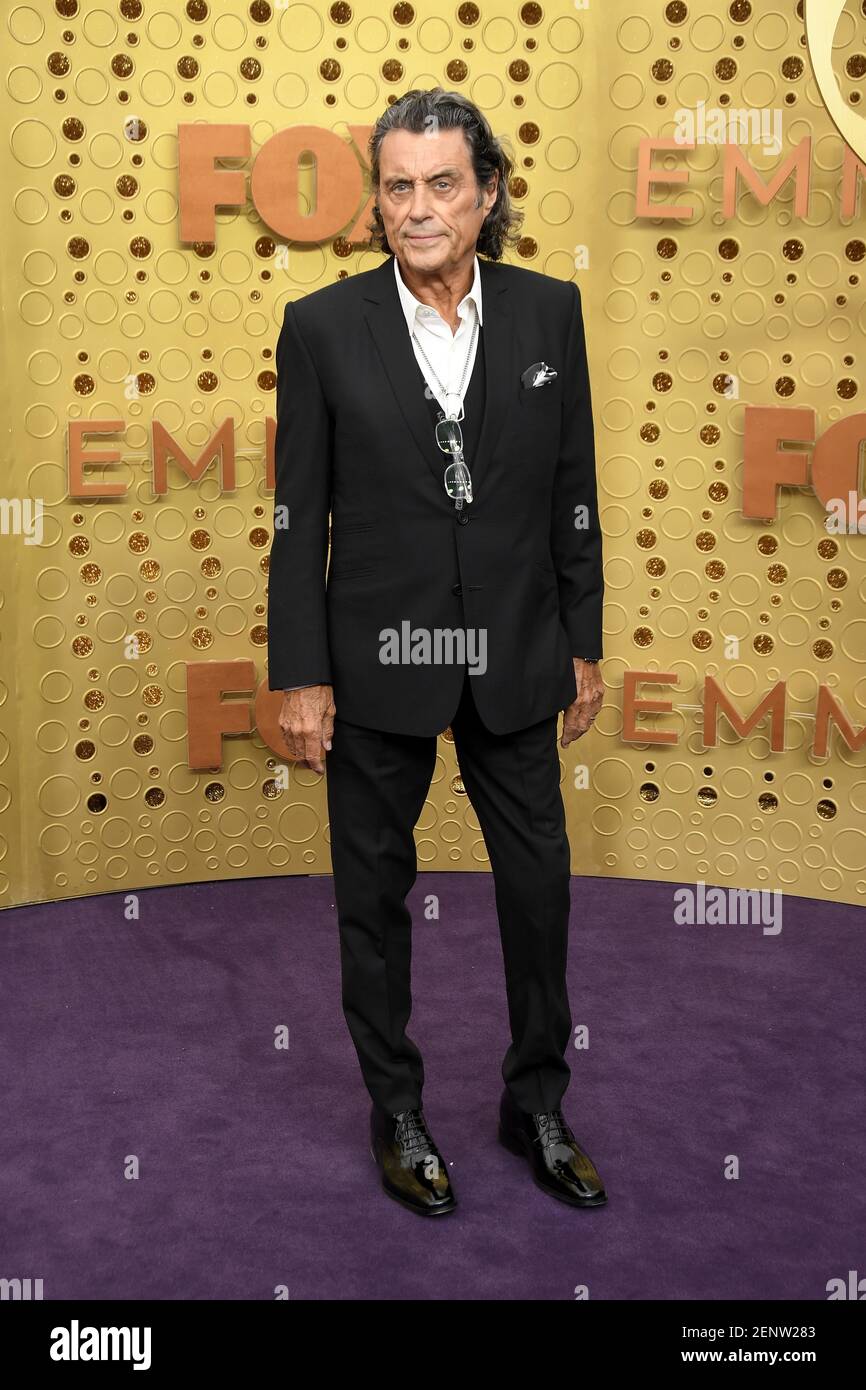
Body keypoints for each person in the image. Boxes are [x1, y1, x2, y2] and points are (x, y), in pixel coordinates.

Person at [267, 88, 606, 1217]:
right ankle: (396, 1107)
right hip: (376, 661)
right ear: (377, 199)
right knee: (372, 899)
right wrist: (301, 672)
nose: (417, 208)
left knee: (539, 890)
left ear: (488, 192)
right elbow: (295, 514)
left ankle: (535, 1101)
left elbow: (572, 494)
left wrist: (585, 640)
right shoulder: (319, 327)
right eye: (397, 186)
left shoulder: (550, 313)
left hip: (515, 652)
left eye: (440, 184)